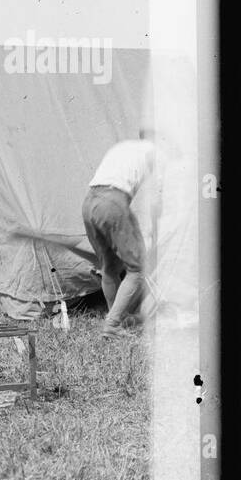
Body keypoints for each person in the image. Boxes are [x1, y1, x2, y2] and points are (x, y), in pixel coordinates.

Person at [82, 135, 157, 338]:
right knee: (138, 268)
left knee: (110, 266)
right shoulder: (155, 151)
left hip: (89, 202)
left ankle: (115, 318)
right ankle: (113, 324)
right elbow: (157, 194)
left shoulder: (125, 146)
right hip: (113, 202)